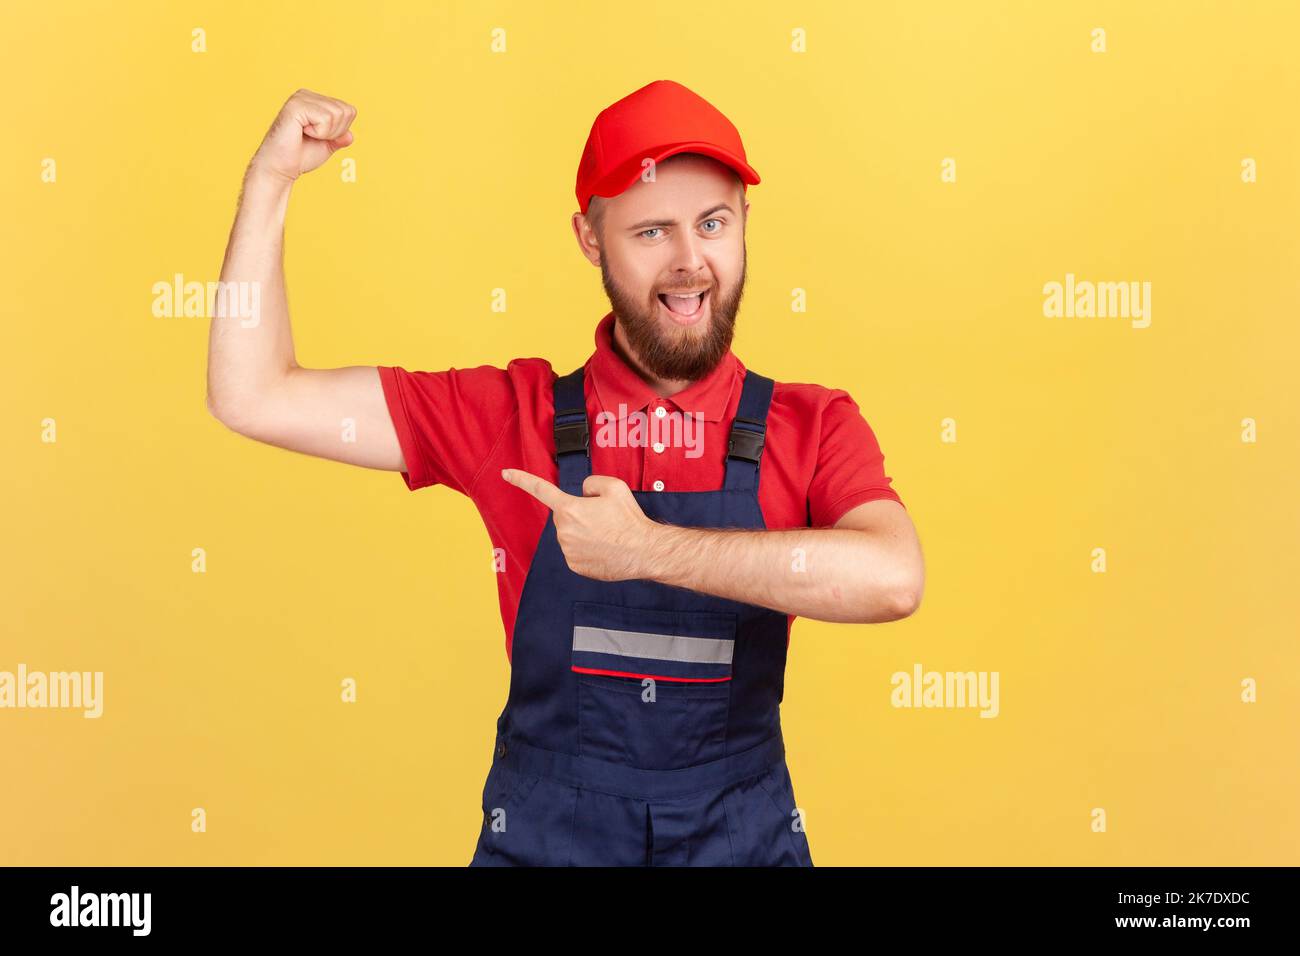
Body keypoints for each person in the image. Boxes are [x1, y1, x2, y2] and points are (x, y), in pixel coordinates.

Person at [206, 79, 925, 866]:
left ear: (745, 223)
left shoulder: (811, 424)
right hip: (549, 842)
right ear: (590, 238)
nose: (692, 264)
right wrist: (270, 182)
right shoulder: (509, 415)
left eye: (713, 224)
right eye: (653, 232)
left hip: (741, 840)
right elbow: (255, 394)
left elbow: (892, 579)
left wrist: (647, 550)